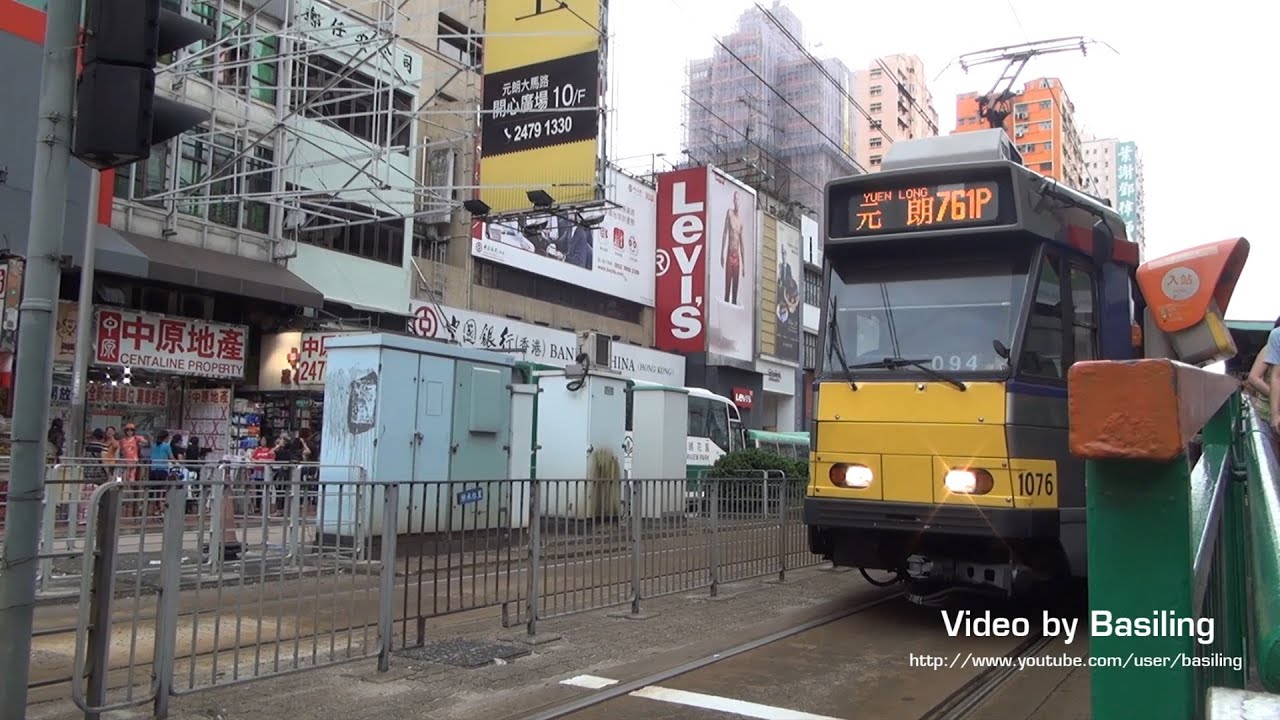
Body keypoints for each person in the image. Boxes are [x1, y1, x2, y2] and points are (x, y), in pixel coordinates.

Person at [720, 191, 745, 306]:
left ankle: (733, 315)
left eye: (738, 199)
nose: (736, 202)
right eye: (735, 199)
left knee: (735, 289)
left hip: (737, 257)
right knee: (727, 288)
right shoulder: (729, 213)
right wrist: (721, 253)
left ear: (740, 202)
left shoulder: (740, 222)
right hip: (730, 254)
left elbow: (742, 244)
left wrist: (744, 265)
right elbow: (725, 232)